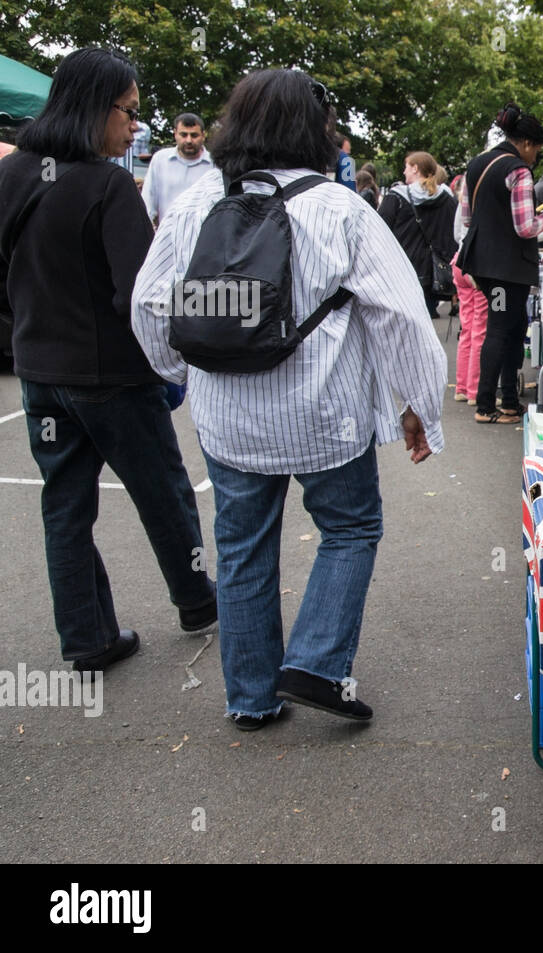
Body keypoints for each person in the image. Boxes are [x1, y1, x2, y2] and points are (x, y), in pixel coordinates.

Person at [131, 69, 447, 729]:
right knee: (351, 526)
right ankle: (318, 660)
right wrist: (419, 402)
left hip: (228, 419)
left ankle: (250, 696)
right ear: (314, 131)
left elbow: (148, 302)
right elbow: (402, 316)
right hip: (325, 413)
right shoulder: (339, 208)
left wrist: (177, 370)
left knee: (242, 544)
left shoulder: (193, 204)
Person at [0, 47, 217, 674]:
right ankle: (196, 601)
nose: (134, 128)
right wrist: (174, 367)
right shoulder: (107, 186)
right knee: (164, 493)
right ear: (96, 108)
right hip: (113, 378)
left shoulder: (15, 174)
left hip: (40, 370)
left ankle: (87, 638)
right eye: (129, 113)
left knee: (65, 506)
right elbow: (141, 298)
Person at [458, 103, 543, 424]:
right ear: (527, 143)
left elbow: (466, 217)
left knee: (513, 327)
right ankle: (487, 405)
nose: (535, 159)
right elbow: (526, 227)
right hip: (506, 268)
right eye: (537, 152)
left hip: (483, 263)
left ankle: (508, 400)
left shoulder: (476, 165)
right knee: (501, 329)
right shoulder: (518, 170)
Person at [378, 151, 457, 318]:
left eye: (406, 167)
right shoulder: (448, 199)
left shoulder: (396, 198)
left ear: (415, 168)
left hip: (402, 269)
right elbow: (454, 234)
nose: (404, 171)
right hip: (437, 270)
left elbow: (379, 233)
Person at [450, 173, 488, 403]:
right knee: (480, 329)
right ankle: (475, 391)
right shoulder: (485, 202)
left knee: (466, 328)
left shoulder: (463, 199)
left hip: (459, 262)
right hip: (479, 266)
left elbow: (457, 234)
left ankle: (462, 387)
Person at [140, 111, 212, 224]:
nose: (188, 140)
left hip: (204, 237)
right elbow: (148, 201)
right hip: (167, 236)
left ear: (203, 135)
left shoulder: (215, 164)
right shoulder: (160, 160)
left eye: (194, 135)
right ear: (175, 134)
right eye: (183, 135)